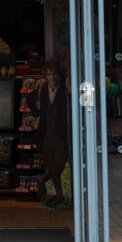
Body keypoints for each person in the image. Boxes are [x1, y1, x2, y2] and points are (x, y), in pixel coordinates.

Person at [34, 60, 71, 208]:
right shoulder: (43, 91)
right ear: (46, 76)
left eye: (55, 74)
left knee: (59, 162)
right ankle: (59, 195)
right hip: (46, 132)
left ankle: (42, 179)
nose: (53, 77)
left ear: (60, 75)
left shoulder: (65, 90)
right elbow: (36, 106)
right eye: (49, 74)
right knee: (50, 163)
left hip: (61, 133)